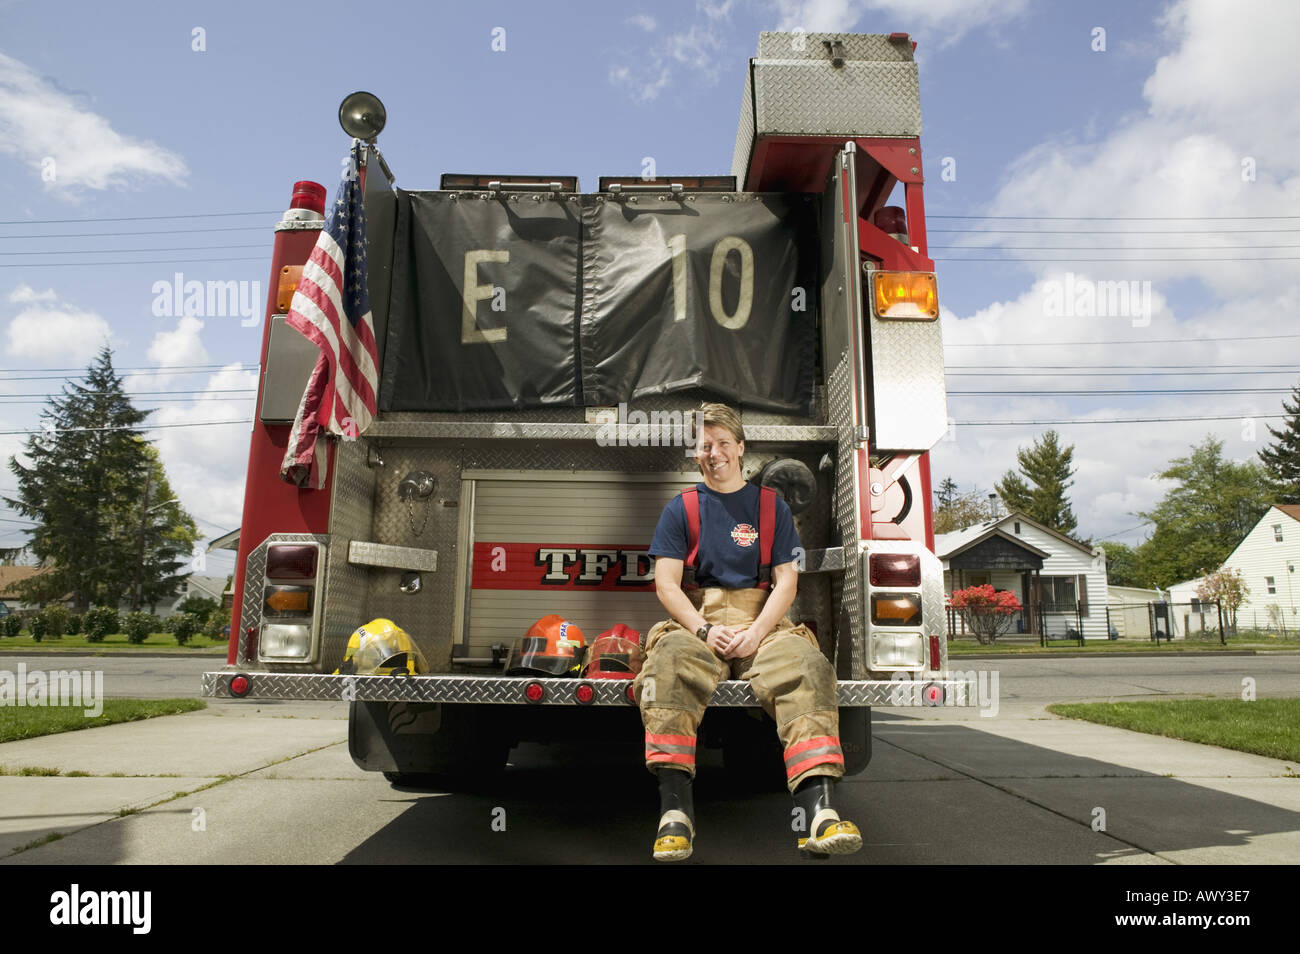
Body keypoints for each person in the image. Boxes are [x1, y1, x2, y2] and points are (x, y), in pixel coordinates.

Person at [632, 402, 861, 861]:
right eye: (703, 445)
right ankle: (675, 814)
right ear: (695, 454)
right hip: (701, 624)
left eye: (722, 444)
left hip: (767, 625)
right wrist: (701, 630)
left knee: (808, 668)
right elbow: (666, 584)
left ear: (740, 448)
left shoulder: (772, 508)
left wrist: (757, 634)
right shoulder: (682, 509)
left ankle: (820, 813)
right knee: (667, 667)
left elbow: (788, 582)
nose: (713, 453)